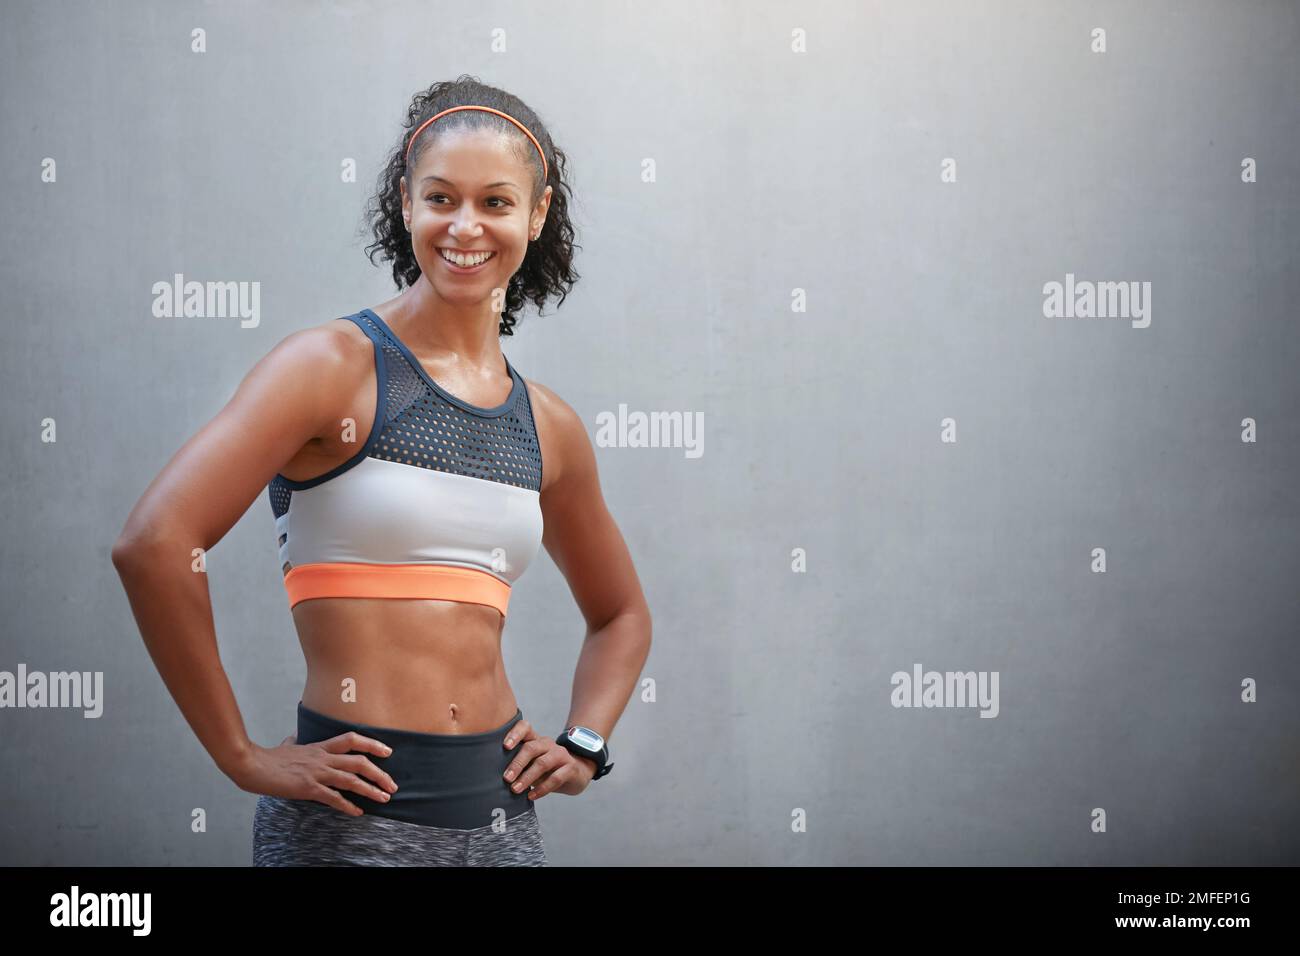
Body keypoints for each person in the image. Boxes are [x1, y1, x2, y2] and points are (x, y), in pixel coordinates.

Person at [110, 75, 652, 866]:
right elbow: (155, 543)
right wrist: (241, 756)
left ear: (536, 215)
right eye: (441, 198)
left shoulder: (549, 427)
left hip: (501, 822)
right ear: (406, 204)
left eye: (496, 202)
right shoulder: (330, 368)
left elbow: (621, 615)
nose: (465, 225)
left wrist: (584, 743)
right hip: (353, 826)